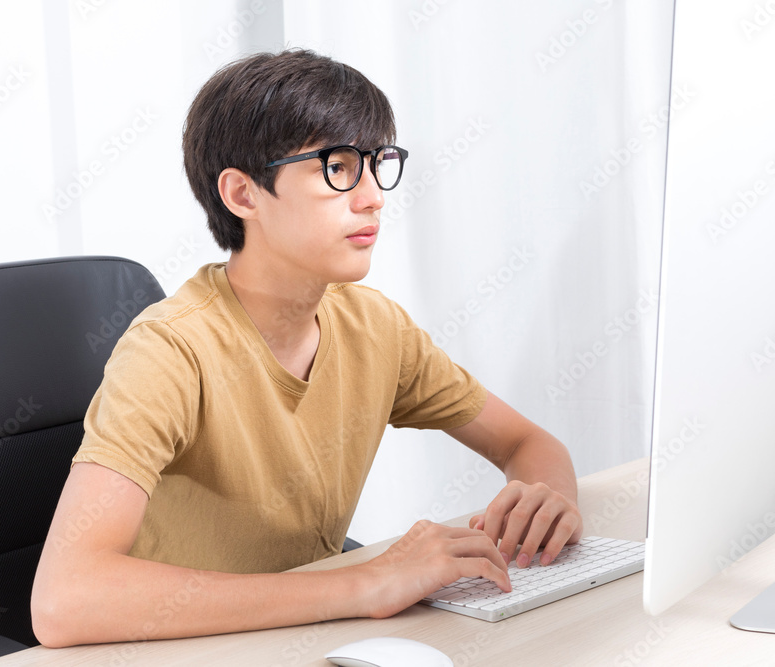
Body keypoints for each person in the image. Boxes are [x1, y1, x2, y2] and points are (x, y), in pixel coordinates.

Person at [30, 48, 582, 647]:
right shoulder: (171, 350)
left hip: (304, 640)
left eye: (376, 164)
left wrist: (546, 502)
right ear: (243, 195)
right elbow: (66, 601)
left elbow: (528, 443)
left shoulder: (375, 328)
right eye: (337, 168)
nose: (372, 195)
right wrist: (366, 584)